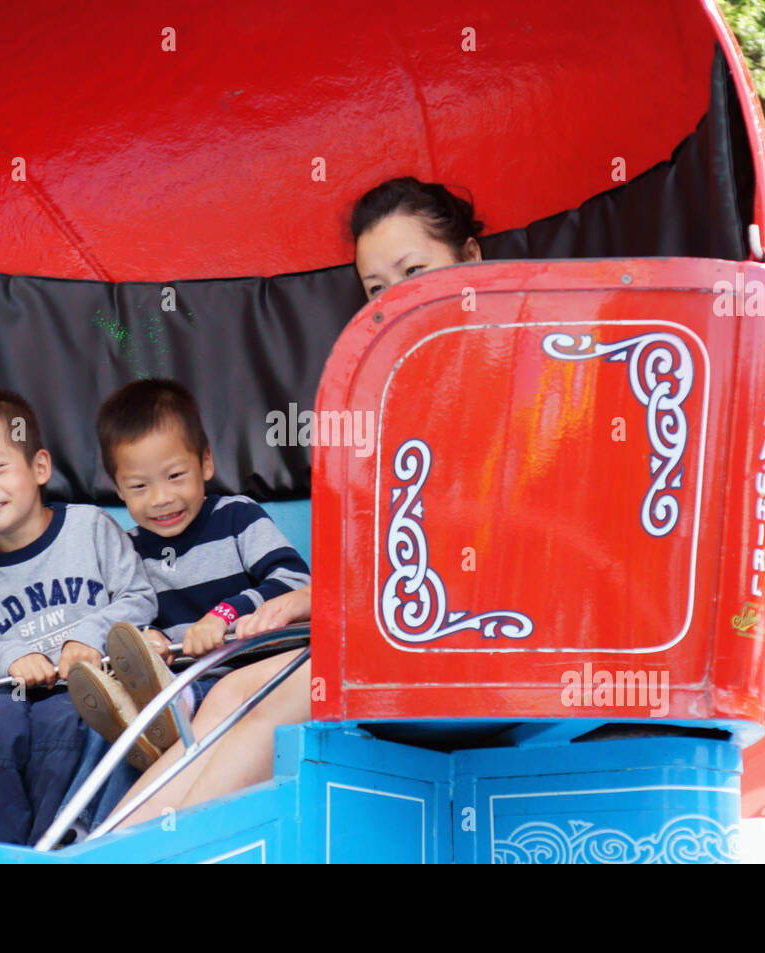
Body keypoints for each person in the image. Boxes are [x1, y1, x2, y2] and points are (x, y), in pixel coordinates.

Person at [104, 176, 485, 828]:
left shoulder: (508, 378)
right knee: (229, 691)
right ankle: (110, 844)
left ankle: (148, 847)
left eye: (413, 270)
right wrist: (312, 598)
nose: (395, 299)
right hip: (386, 635)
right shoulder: (396, 401)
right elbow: (385, 568)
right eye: (374, 289)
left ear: (470, 261)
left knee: (272, 710)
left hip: (471, 645)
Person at [59, 379, 311, 827]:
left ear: (206, 462)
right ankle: (78, 829)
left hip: (243, 676)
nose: (162, 499)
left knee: (156, 715)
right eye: (139, 486)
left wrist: (226, 613)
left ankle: (131, 832)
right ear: (118, 489)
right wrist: (146, 640)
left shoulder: (238, 517)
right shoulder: (125, 551)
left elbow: (294, 582)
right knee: (116, 718)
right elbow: (126, 618)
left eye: (175, 476)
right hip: (173, 684)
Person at [0, 388, 157, 845]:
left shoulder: (90, 528)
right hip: (11, 699)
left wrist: (91, 636)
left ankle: (52, 848)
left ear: (39, 468)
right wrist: (12, 658)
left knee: (67, 719)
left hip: (86, 691)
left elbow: (139, 596)